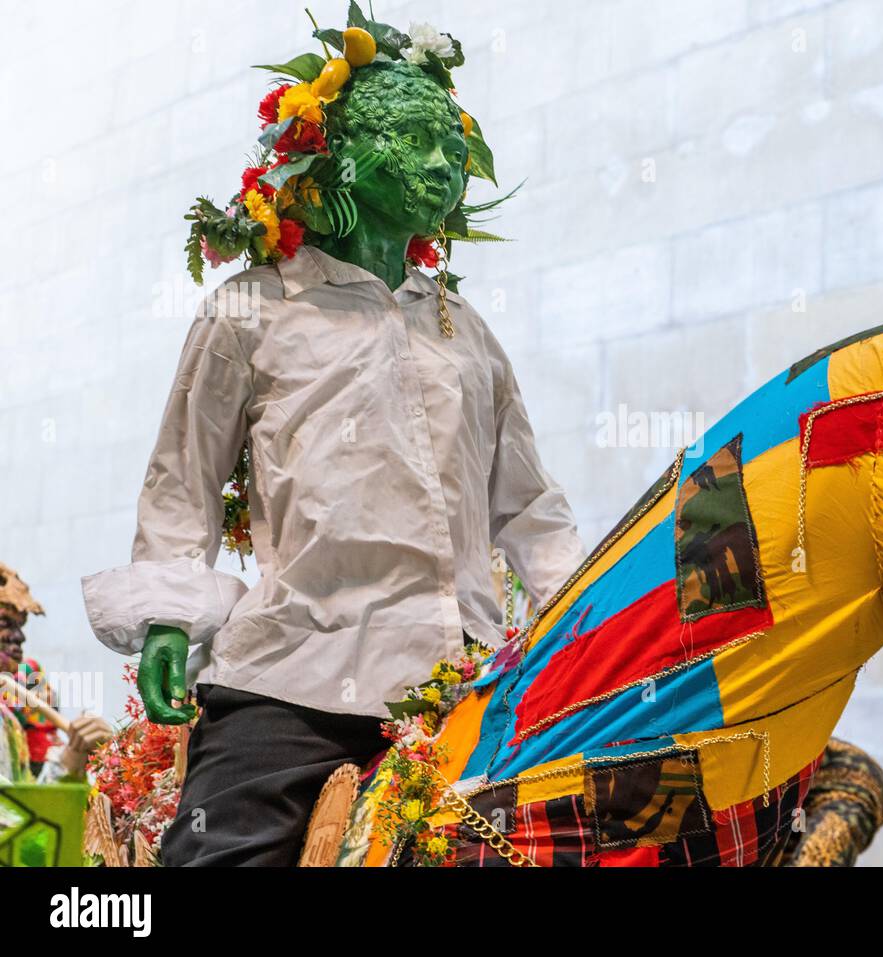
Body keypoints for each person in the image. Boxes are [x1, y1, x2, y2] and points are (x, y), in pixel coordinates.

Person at [81, 18, 584, 866]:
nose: (440, 164)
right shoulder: (253, 307)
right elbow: (184, 477)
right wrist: (168, 616)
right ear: (331, 153)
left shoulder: (466, 331)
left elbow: (530, 508)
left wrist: (590, 624)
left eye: (449, 145)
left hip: (463, 688)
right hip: (294, 672)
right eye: (411, 138)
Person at [0, 564, 112, 785]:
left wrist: (74, 753)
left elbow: (27, 799)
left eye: (20, 626)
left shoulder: (24, 682)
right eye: (5, 623)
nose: (20, 637)